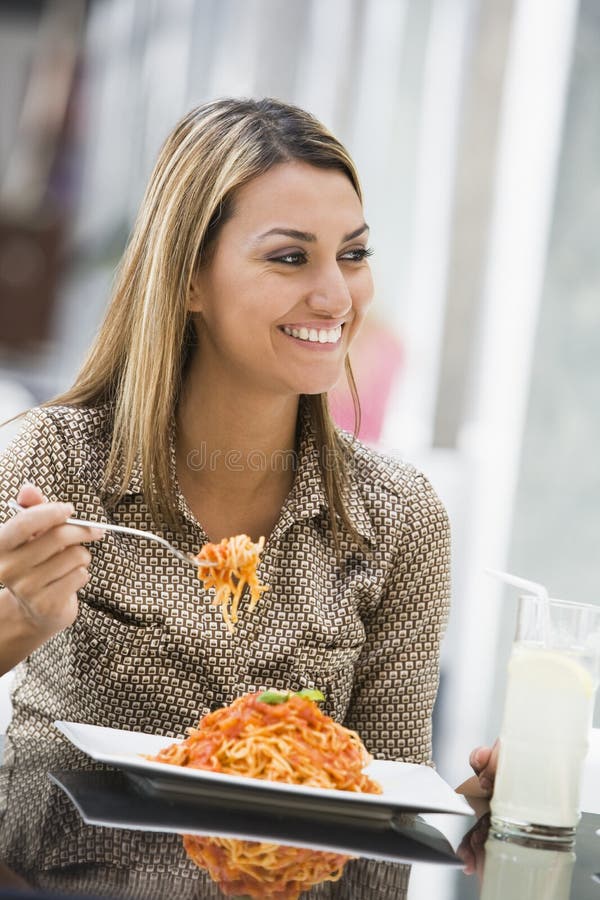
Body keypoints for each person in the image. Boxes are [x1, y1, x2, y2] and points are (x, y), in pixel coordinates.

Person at [0, 97, 492, 786]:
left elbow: (389, 796)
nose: (337, 297)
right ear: (189, 279)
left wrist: (472, 817)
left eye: (353, 255)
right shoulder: (53, 461)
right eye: (290, 258)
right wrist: (17, 622)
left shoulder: (400, 519)